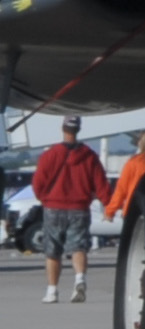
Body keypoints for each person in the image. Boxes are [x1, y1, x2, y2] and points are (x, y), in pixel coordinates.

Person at [30, 117, 107, 303]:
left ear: (63, 129)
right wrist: (108, 204)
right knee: (78, 247)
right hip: (79, 207)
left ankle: (52, 291)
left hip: (53, 207)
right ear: (78, 129)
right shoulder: (90, 156)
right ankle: (80, 279)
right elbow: (101, 184)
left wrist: (45, 198)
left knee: (53, 251)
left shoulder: (50, 154)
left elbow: (38, 183)